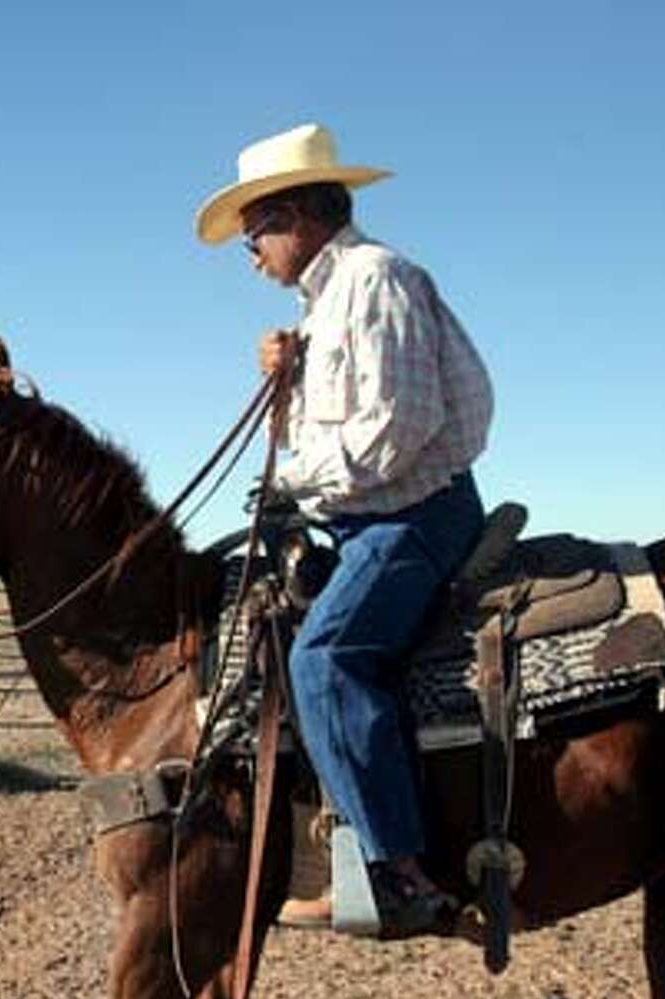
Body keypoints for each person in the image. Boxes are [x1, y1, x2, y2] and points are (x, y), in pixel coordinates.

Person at [195, 122, 494, 936]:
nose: (250, 252)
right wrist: (286, 392)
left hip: (414, 517)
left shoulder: (374, 280)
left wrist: (289, 483)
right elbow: (333, 441)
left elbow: (397, 428)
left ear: (294, 214)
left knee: (324, 660)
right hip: (370, 517)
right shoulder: (327, 305)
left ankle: (398, 874)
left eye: (253, 233)